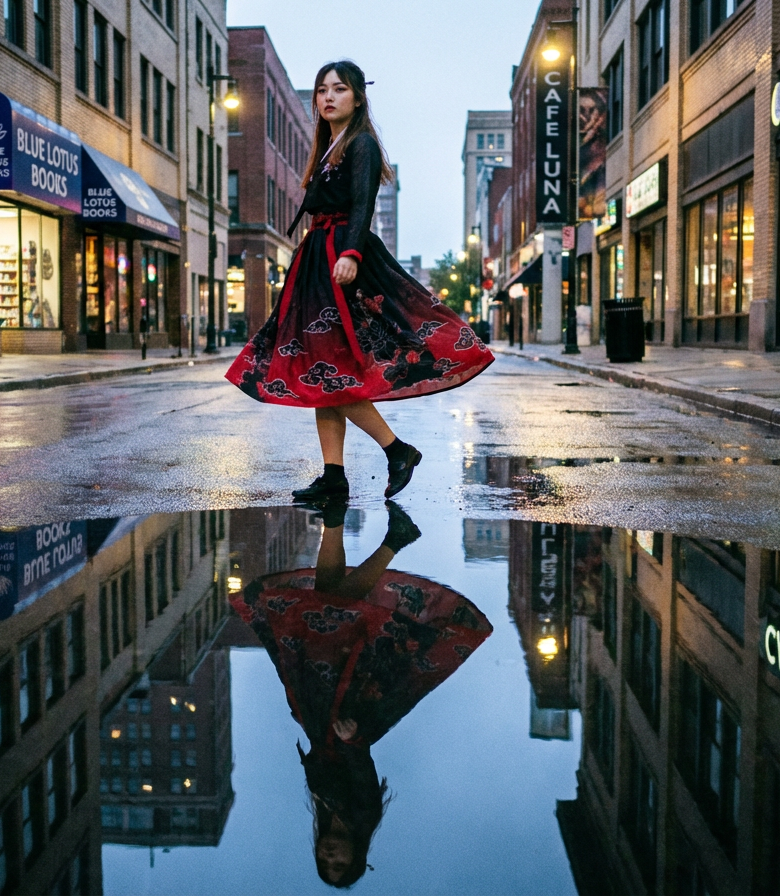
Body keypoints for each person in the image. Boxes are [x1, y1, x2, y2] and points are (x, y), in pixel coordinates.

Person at [225, 61, 494, 503]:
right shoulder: (329, 147)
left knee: (330, 370)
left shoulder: (361, 144)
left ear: (357, 98)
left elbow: (363, 203)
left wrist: (350, 252)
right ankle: (334, 475)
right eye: (322, 90)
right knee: (320, 368)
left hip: (338, 256)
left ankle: (397, 450)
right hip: (317, 258)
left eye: (339, 89)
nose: (328, 97)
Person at [230, 501, 493, 887]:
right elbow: (361, 770)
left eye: (324, 862)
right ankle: (380, 536)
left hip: (316, 705)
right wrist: (352, 740)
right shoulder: (363, 813)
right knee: (332, 606)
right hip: (346, 705)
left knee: (326, 600)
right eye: (339, 864)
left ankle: (343, 523)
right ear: (357, 856)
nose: (329, 856)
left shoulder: (323, 810)